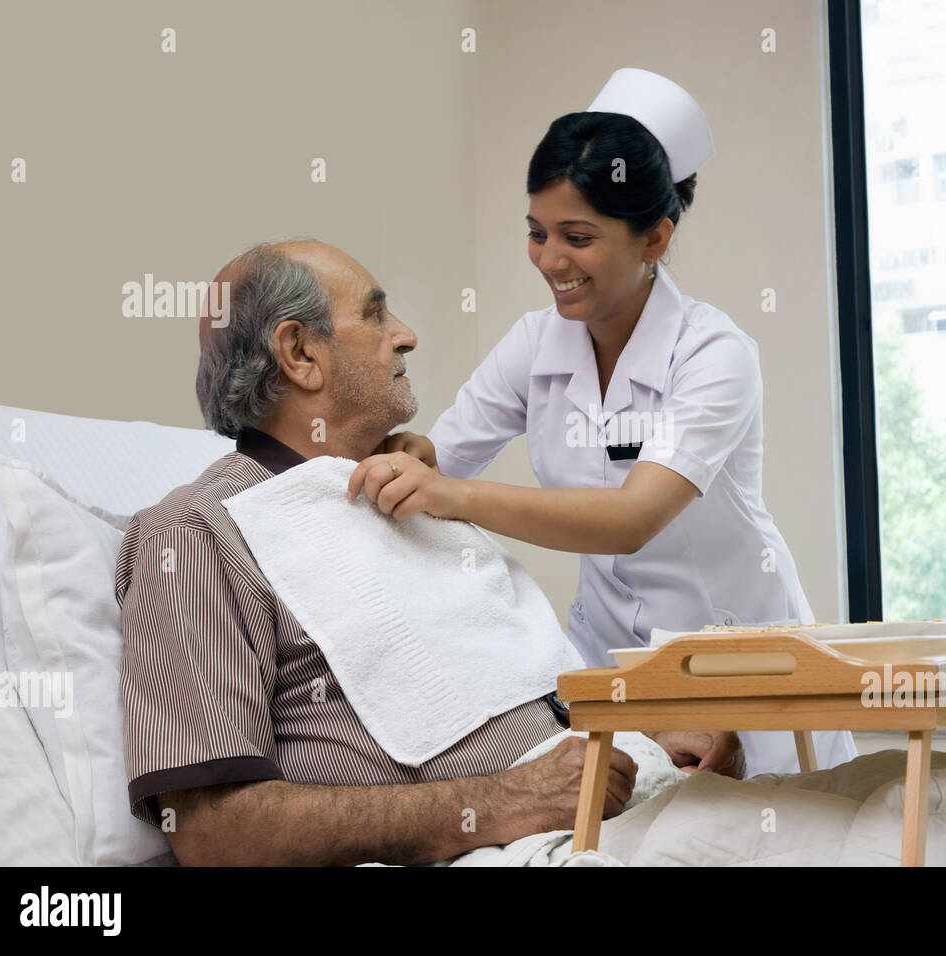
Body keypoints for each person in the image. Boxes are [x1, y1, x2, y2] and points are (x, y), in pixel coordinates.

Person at [117, 238, 741, 866]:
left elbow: (517, 709)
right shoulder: (198, 535)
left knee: (840, 807)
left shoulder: (407, 492)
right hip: (533, 846)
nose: (406, 335)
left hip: (633, 810)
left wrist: (657, 734)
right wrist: (502, 801)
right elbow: (215, 834)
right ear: (301, 353)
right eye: (376, 314)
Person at [349, 69, 856, 777]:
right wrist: (388, 451)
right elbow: (437, 454)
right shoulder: (536, 342)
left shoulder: (714, 355)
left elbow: (632, 517)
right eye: (536, 233)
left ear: (654, 237)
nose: (550, 260)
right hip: (618, 676)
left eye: (578, 237)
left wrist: (448, 496)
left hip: (749, 677)